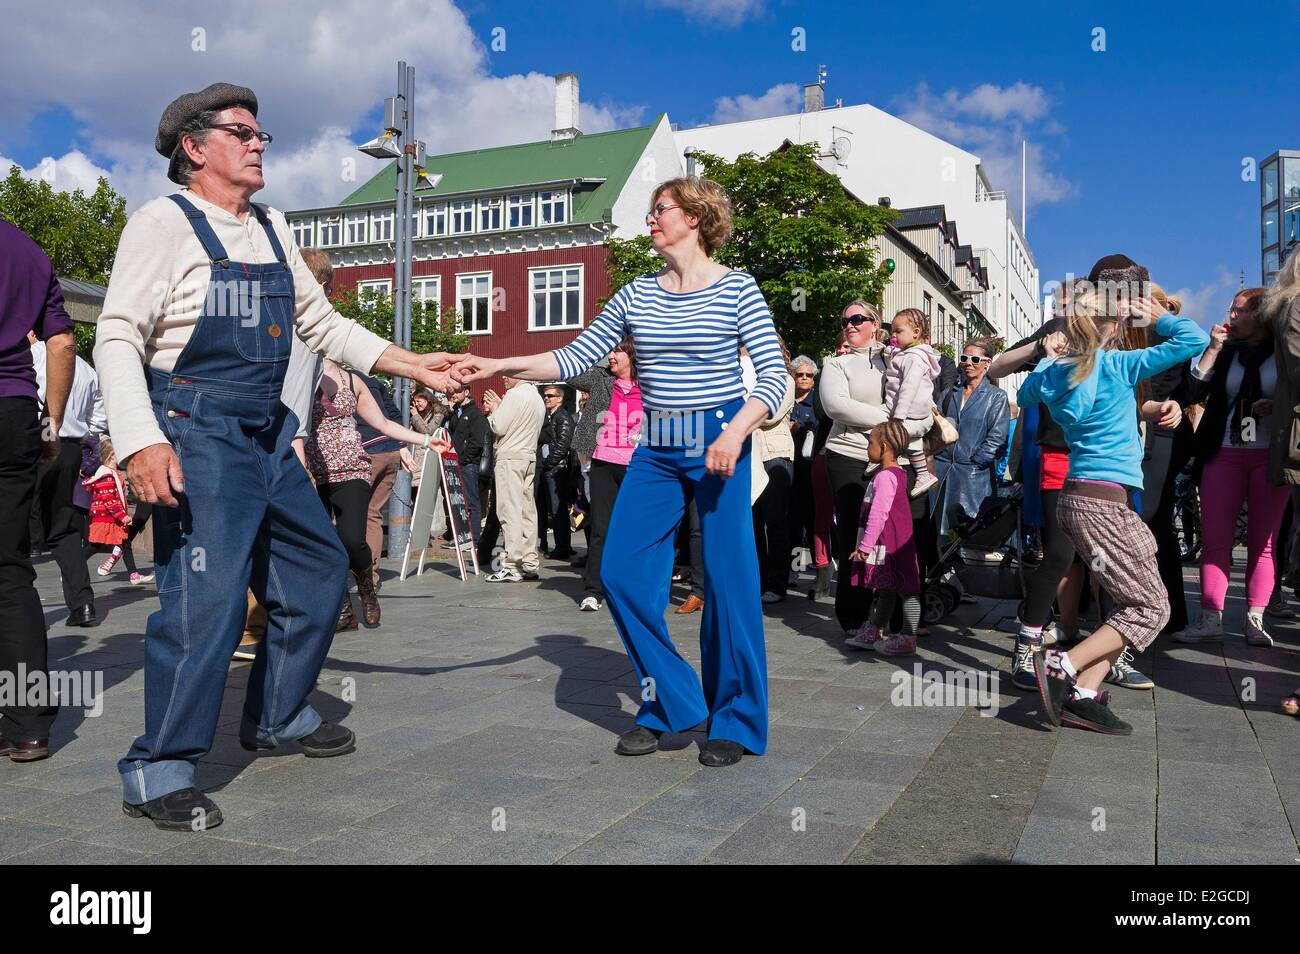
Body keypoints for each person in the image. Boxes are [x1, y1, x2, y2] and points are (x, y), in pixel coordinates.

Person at [95, 82, 459, 829]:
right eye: (242, 132)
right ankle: (157, 767)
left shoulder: (271, 227)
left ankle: (276, 716)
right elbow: (117, 334)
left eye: (263, 133)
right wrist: (140, 440)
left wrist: (410, 363)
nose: (260, 143)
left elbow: (321, 324)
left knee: (321, 569)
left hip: (263, 433)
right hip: (195, 429)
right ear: (195, 148)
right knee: (207, 601)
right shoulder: (162, 223)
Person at [454, 176, 787, 767]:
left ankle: (734, 719)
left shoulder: (739, 290)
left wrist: (736, 433)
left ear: (695, 217)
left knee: (731, 585)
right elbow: (573, 355)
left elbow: (774, 377)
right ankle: (675, 703)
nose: (651, 219)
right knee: (622, 572)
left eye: (660, 209)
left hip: (719, 437)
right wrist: (495, 362)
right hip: (657, 443)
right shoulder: (636, 294)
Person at [1021, 290, 1208, 735]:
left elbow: (1027, 391)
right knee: (1151, 608)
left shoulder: (1058, 373)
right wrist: (1160, 318)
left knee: (1134, 601)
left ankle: (1084, 695)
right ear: (1115, 328)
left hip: (1079, 498)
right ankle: (1060, 664)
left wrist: (1049, 356)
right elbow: (1193, 339)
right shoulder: (1117, 365)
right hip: (1104, 504)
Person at [1176, 286, 1290, 647]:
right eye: (1231, 310)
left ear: (1262, 315)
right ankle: (1210, 617)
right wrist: (1211, 349)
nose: (1231, 317)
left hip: (1269, 454)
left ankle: (1255, 618)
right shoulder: (1227, 352)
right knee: (1216, 539)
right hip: (1223, 450)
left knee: (1263, 542)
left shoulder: (1285, 351)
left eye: (1240, 311)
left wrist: (1276, 405)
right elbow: (1191, 394)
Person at [0, 218, 75, 763]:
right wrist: (51, 424)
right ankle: (27, 727)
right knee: (10, 570)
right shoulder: (29, 250)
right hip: (15, 413)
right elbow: (62, 342)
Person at [307, 358, 435, 629]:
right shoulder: (298, 373)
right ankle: (343, 608)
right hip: (312, 472)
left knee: (352, 539)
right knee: (324, 544)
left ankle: (366, 590)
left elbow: (384, 424)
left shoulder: (352, 381)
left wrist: (424, 440)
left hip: (352, 470)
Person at [820, 301, 892, 638]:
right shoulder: (836, 363)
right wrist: (891, 420)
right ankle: (853, 614)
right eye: (845, 319)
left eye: (858, 319)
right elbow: (836, 406)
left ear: (875, 324)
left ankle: (893, 613)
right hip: (847, 454)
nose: (850, 324)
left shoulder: (896, 359)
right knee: (855, 534)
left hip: (892, 457)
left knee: (890, 536)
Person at [29, 331, 107, 626]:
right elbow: (99, 417)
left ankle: (21, 607)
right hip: (72, 446)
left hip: (41, 440)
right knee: (63, 527)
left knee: (17, 520)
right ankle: (83, 604)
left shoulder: (35, 358)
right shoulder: (86, 369)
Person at [565, 340, 640, 611]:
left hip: (638, 465)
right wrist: (599, 348)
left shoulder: (651, 384)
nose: (611, 356)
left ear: (633, 355)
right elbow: (569, 375)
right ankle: (593, 590)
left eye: (617, 351)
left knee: (635, 529)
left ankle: (627, 586)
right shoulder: (602, 379)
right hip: (604, 461)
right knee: (601, 528)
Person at [844, 420, 922, 655]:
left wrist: (865, 546)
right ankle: (876, 628)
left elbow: (879, 513)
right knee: (887, 587)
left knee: (907, 589)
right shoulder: (897, 473)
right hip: (892, 542)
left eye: (871, 443)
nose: (868, 448)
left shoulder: (885, 477)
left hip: (893, 543)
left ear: (885, 446)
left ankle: (908, 637)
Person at [932, 336, 1009, 536]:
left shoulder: (996, 396)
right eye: (964, 358)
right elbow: (936, 423)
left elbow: (997, 436)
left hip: (972, 477)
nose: (968, 364)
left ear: (987, 363)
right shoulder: (950, 392)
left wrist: (977, 461)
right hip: (941, 471)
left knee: (963, 534)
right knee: (933, 532)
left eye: (974, 360)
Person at [482, 375, 545, 583]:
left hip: (510, 456)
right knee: (527, 510)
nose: (503, 377)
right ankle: (529, 561)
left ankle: (511, 563)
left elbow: (498, 426)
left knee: (509, 509)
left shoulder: (514, 394)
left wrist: (494, 411)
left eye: (507, 373)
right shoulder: (535, 396)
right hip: (528, 455)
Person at [750, 341, 796, 603]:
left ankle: (777, 584)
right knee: (753, 522)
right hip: (751, 455)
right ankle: (758, 580)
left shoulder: (785, 380)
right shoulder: (750, 377)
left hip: (775, 455)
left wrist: (745, 408)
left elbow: (770, 415)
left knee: (775, 522)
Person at [353, 369, 406, 587]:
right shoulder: (373, 381)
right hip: (390, 449)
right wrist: (401, 445)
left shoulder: (341, 379)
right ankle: (371, 577)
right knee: (372, 514)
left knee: (347, 513)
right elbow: (395, 414)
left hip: (367, 449)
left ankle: (346, 573)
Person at [883, 308, 942, 497]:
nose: (894, 335)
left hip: (909, 411)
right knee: (912, 440)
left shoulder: (913, 358)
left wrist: (899, 415)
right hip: (913, 410)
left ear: (916, 332)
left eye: (898, 331)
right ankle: (923, 474)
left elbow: (908, 387)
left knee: (896, 435)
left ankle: (922, 474)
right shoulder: (908, 354)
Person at [82, 438, 152, 585]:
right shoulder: (106, 475)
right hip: (107, 518)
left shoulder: (112, 472)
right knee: (95, 546)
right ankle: (72, 570)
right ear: (113, 455)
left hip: (112, 517)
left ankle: (134, 575)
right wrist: (123, 516)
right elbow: (109, 500)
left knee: (125, 544)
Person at [536, 385, 577, 560]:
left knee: (557, 509)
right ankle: (561, 545)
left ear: (559, 398)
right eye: (544, 395)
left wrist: (549, 463)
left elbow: (563, 444)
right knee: (551, 509)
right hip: (550, 467)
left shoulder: (562, 416)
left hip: (557, 469)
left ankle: (562, 548)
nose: (546, 398)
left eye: (550, 396)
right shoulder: (550, 415)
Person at [445, 384, 488, 544]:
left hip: (468, 464)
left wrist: (463, 459)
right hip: (455, 464)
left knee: (471, 502)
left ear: (467, 392)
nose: (453, 395)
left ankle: (474, 538)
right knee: (459, 502)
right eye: (451, 392)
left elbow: (477, 442)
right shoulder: (456, 412)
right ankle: (462, 536)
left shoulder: (475, 414)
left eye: (457, 391)